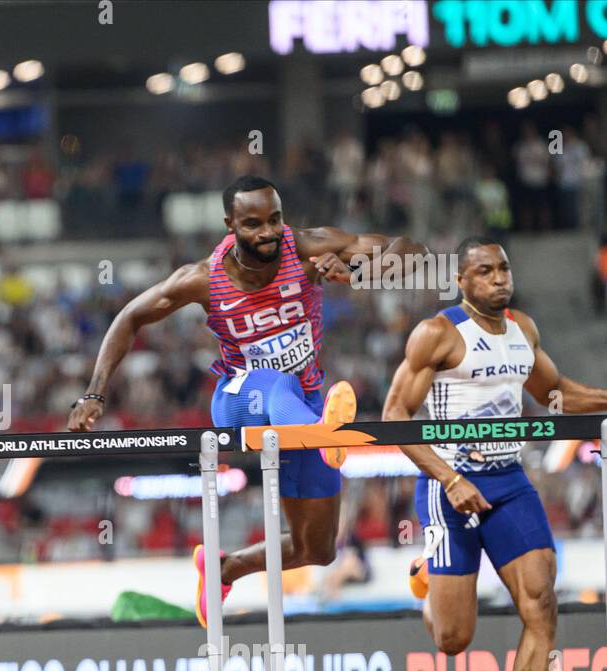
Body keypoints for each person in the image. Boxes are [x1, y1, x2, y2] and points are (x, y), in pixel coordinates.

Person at [68, 174, 426, 627]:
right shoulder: (203, 278)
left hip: (304, 409)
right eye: (253, 224)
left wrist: (357, 270)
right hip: (241, 398)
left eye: (275, 220)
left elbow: (412, 251)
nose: (268, 233)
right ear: (230, 225)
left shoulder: (308, 247)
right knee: (277, 385)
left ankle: (226, 567)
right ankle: (324, 437)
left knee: (316, 547)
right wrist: (95, 393)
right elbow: (130, 317)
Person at [384, 236, 607, 671]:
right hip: (447, 487)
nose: (499, 278)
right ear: (462, 281)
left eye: (503, 268)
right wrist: (449, 477)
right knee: (454, 639)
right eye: (484, 271)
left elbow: (555, 393)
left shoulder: (523, 329)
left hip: (508, 481)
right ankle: (426, 577)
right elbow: (394, 416)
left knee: (542, 603)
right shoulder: (437, 334)